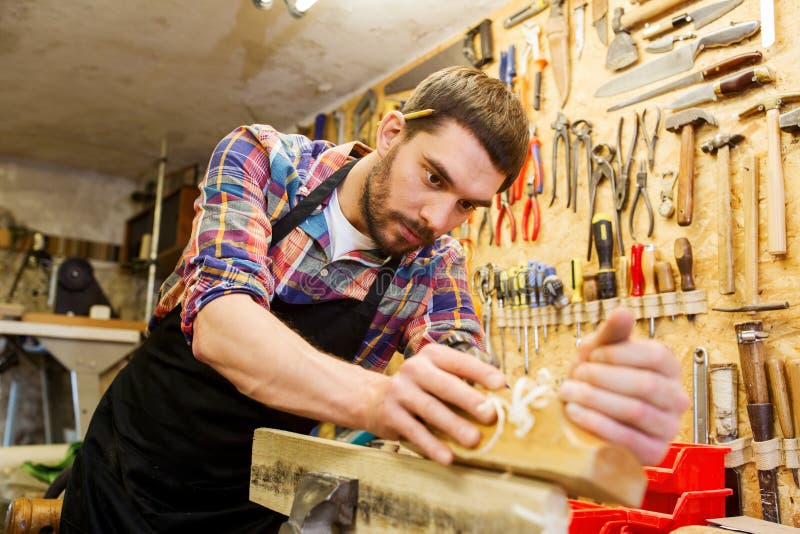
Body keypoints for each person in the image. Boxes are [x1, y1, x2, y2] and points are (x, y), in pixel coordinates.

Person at [61, 66, 689, 533]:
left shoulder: (436, 262)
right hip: (129, 468)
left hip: (250, 501)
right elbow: (223, 326)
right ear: (391, 134)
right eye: (434, 177)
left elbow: (469, 388)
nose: (439, 217)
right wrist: (385, 401)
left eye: (468, 205)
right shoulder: (262, 160)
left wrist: (573, 420)